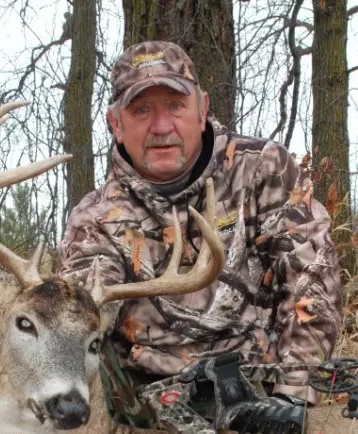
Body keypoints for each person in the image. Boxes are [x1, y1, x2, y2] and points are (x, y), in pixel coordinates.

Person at [57, 40, 342, 429]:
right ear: (116, 125)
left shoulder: (263, 170)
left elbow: (313, 276)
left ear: (203, 109)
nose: (161, 127)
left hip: (259, 387)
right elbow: (82, 307)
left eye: (175, 106)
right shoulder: (95, 218)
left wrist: (292, 393)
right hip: (148, 405)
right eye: (141, 111)